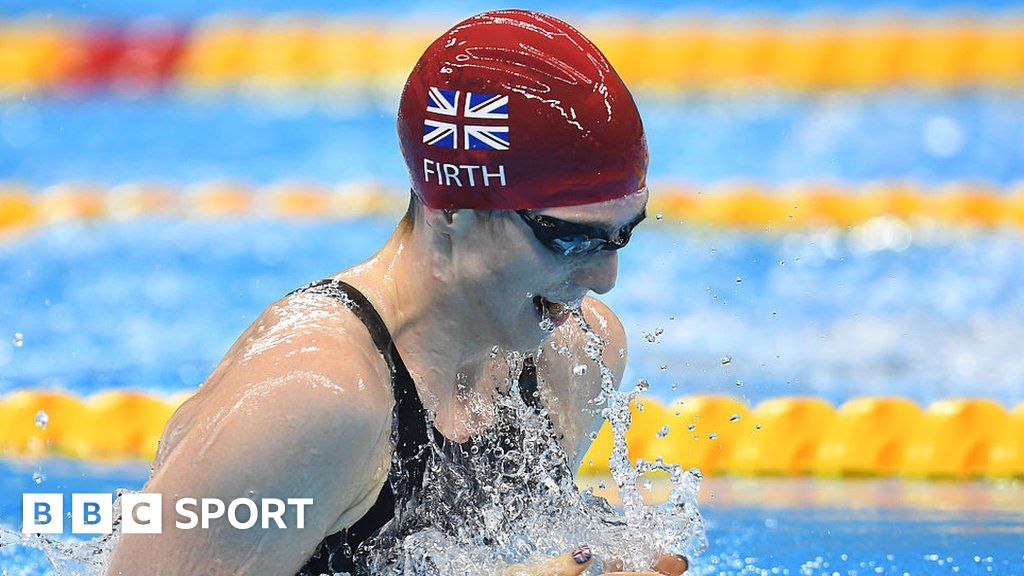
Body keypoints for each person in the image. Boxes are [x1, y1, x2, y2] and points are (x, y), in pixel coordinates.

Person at [107, 9, 688, 576]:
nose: (604, 278)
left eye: (622, 234)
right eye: (566, 239)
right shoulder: (315, 400)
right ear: (454, 209)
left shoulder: (577, 354)